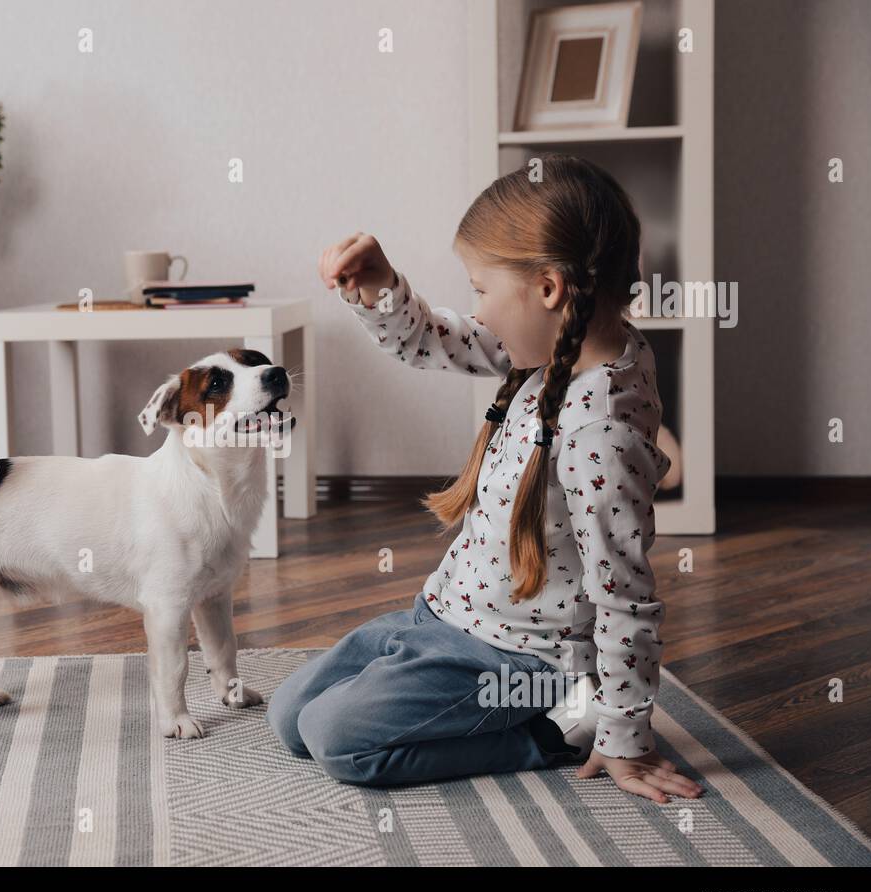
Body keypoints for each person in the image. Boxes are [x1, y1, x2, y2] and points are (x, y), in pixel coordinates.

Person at [269, 154, 703, 805]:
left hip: (522, 661)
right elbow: (433, 340)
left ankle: (557, 733)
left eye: (480, 289)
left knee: (336, 739)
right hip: (444, 613)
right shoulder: (565, 337)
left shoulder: (600, 430)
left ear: (550, 289)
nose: (479, 312)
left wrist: (625, 734)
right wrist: (383, 286)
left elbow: (626, 598)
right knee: (289, 716)